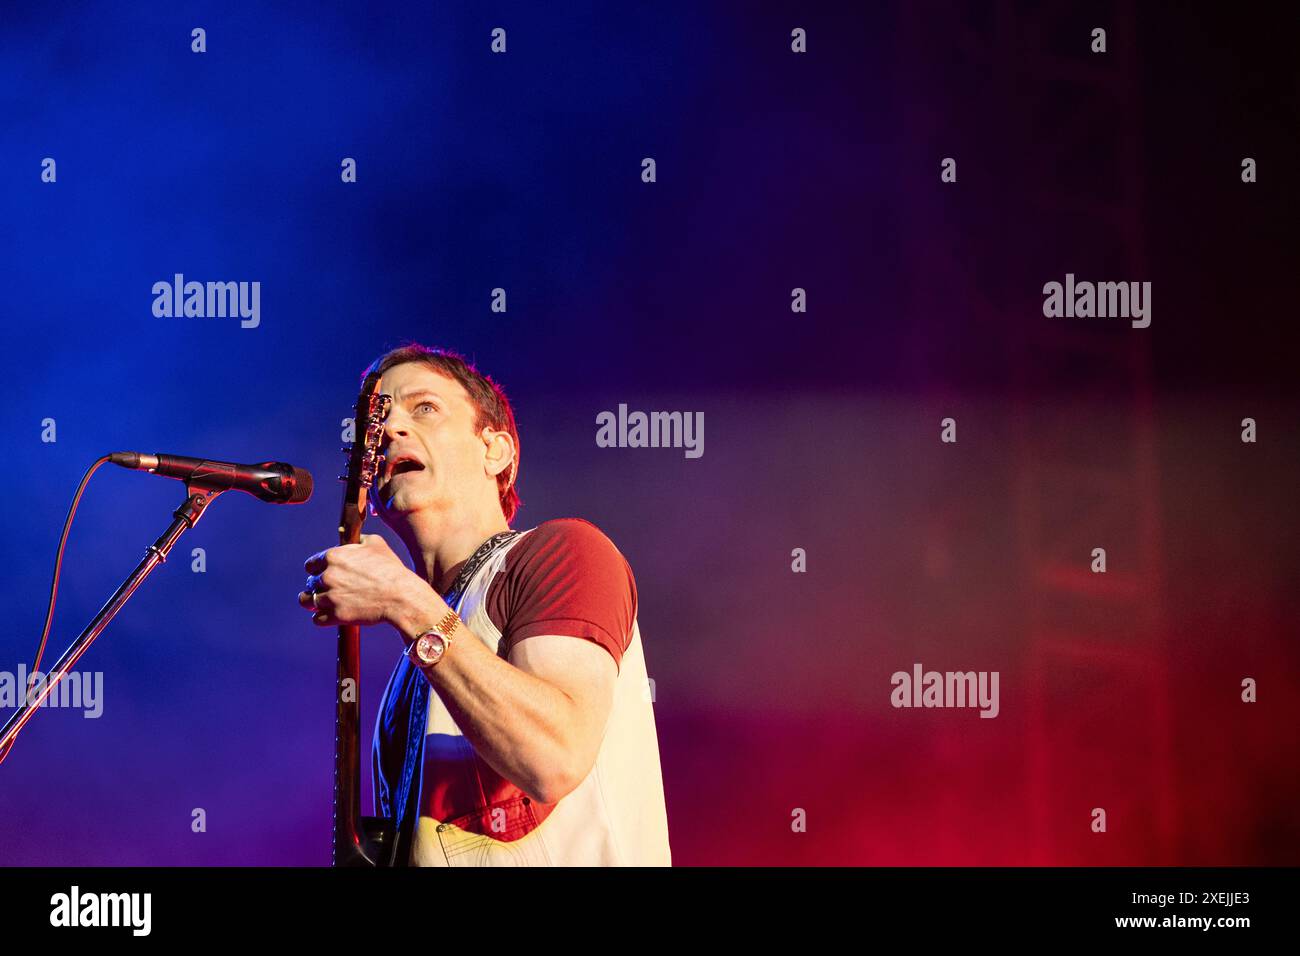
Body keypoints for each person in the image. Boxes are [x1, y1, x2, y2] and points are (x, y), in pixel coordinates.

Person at [298, 344, 671, 866]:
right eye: (375, 424)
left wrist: (405, 599)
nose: (391, 431)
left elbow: (553, 756)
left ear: (495, 449)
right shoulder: (409, 674)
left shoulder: (562, 550)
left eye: (424, 408)